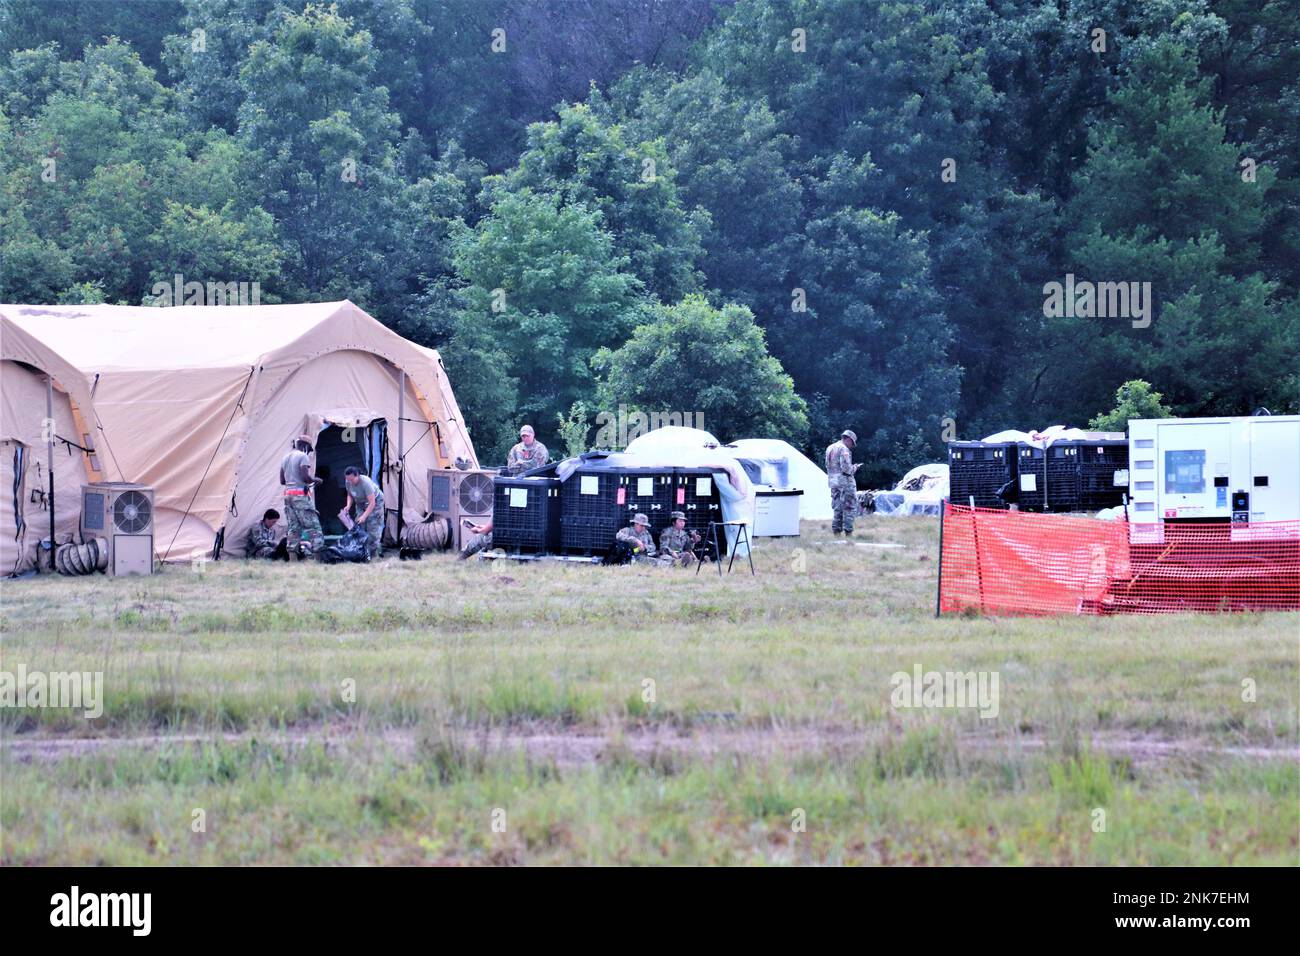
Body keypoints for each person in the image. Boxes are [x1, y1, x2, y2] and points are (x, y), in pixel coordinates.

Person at [280, 433, 324, 558]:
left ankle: (292, 559)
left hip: (288, 496)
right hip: (300, 496)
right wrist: (316, 480)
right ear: (304, 445)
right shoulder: (303, 456)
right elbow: (306, 477)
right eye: (309, 449)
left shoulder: (285, 458)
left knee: (294, 528)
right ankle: (318, 559)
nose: (308, 452)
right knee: (313, 527)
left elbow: (282, 481)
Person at [825, 428, 862, 536]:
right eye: (852, 443)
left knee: (837, 507)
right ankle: (848, 532)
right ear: (849, 439)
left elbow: (828, 465)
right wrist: (855, 467)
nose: (852, 446)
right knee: (849, 506)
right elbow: (846, 469)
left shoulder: (829, 448)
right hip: (845, 482)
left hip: (833, 481)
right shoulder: (844, 449)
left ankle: (836, 532)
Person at [343, 466, 385, 558]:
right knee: (359, 526)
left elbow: (372, 503)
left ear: (357, 475)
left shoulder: (366, 483)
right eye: (347, 480)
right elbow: (349, 494)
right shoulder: (348, 481)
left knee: (373, 528)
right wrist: (348, 505)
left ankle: (374, 555)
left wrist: (364, 516)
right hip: (361, 503)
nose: (349, 482)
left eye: (351, 480)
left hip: (375, 503)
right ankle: (362, 553)